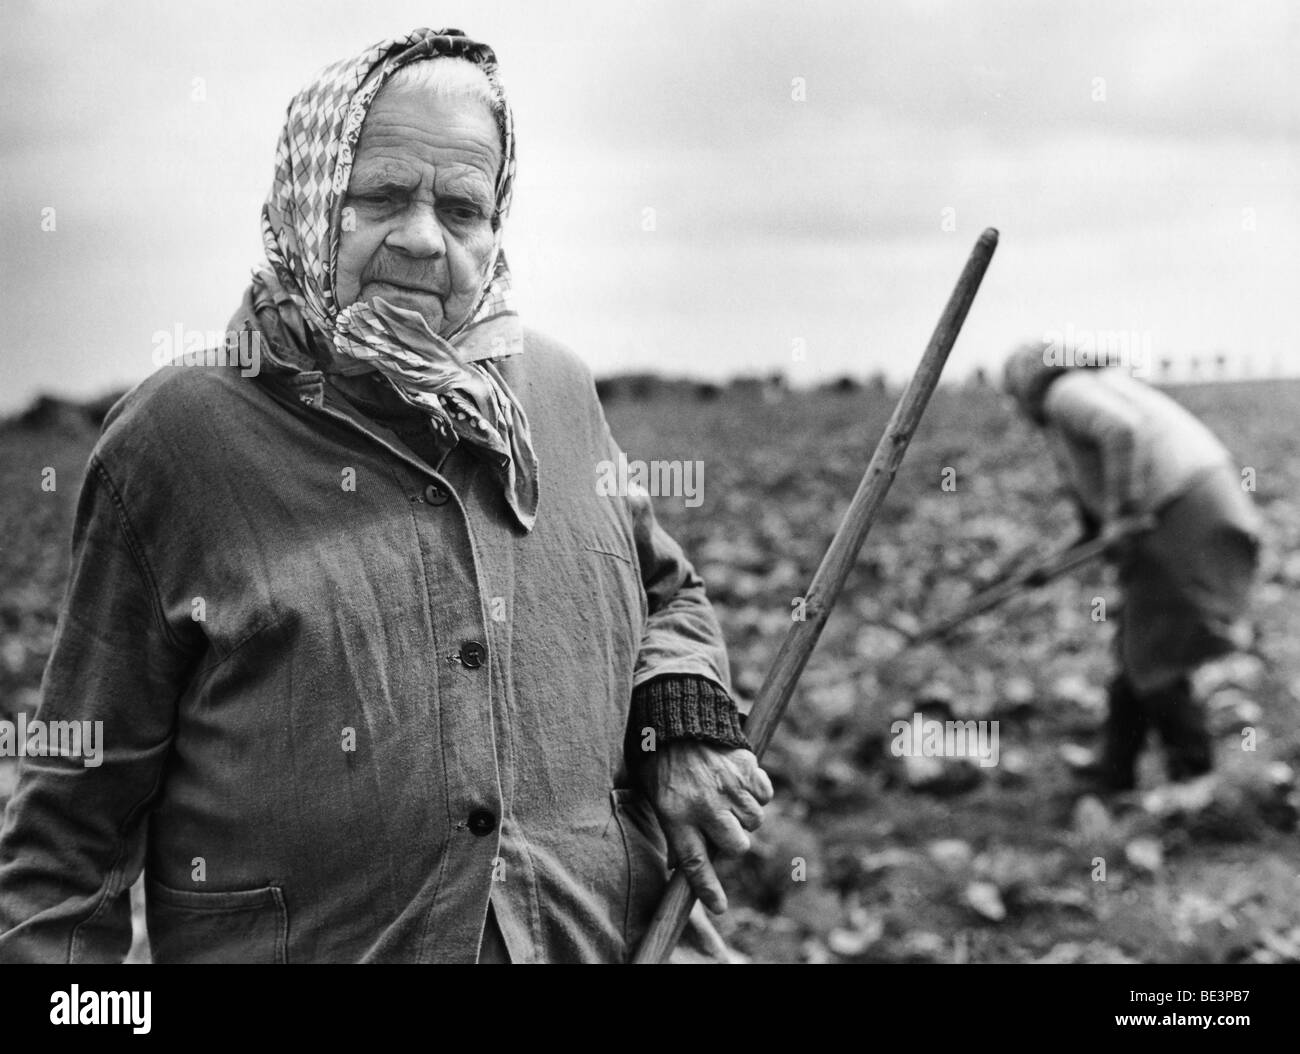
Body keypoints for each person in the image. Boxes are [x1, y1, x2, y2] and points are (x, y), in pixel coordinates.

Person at [0, 27, 772, 963]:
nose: (421, 238)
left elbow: (663, 597)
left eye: (461, 207)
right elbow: (69, 834)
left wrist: (678, 725)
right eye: (381, 196)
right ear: (308, 201)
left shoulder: (557, 396)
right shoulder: (176, 441)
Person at [1002, 345, 1261, 792]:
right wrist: (1052, 563)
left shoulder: (1065, 392)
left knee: (1154, 653)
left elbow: (1122, 432)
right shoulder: (1093, 386)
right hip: (1191, 507)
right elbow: (1097, 518)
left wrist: (1121, 515)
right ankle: (1114, 766)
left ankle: (1195, 780)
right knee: (1135, 648)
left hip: (1181, 513)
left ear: (1025, 385)